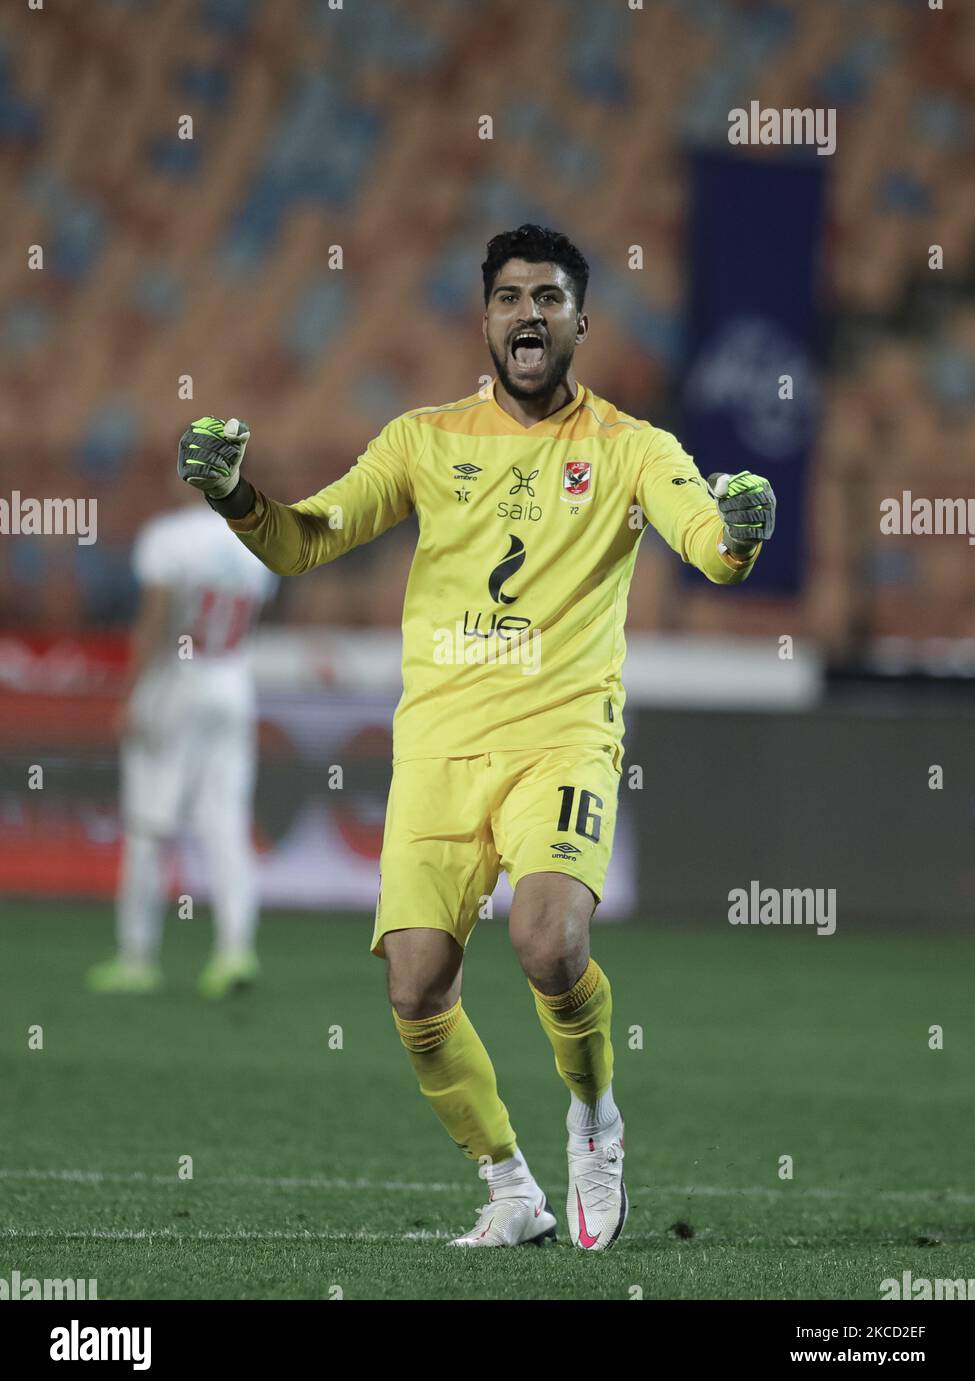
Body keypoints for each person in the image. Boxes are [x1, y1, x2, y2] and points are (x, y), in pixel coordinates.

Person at [175, 224, 776, 1249]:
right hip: (438, 751)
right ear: (485, 319)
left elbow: (713, 551)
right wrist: (237, 494)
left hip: (562, 738)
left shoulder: (633, 448)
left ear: (581, 322)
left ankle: (593, 1116)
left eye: (548, 297)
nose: (527, 314)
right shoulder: (422, 440)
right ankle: (510, 1187)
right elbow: (304, 541)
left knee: (548, 941)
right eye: (508, 297)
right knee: (415, 985)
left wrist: (743, 529)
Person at [87, 497, 276, 1000]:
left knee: (150, 825)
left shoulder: (169, 537)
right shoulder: (256, 534)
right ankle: (235, 951)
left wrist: (130, 695)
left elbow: (156, 619)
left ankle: (137, 958)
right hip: (233, 684)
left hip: (176, 685)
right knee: (226, 824)